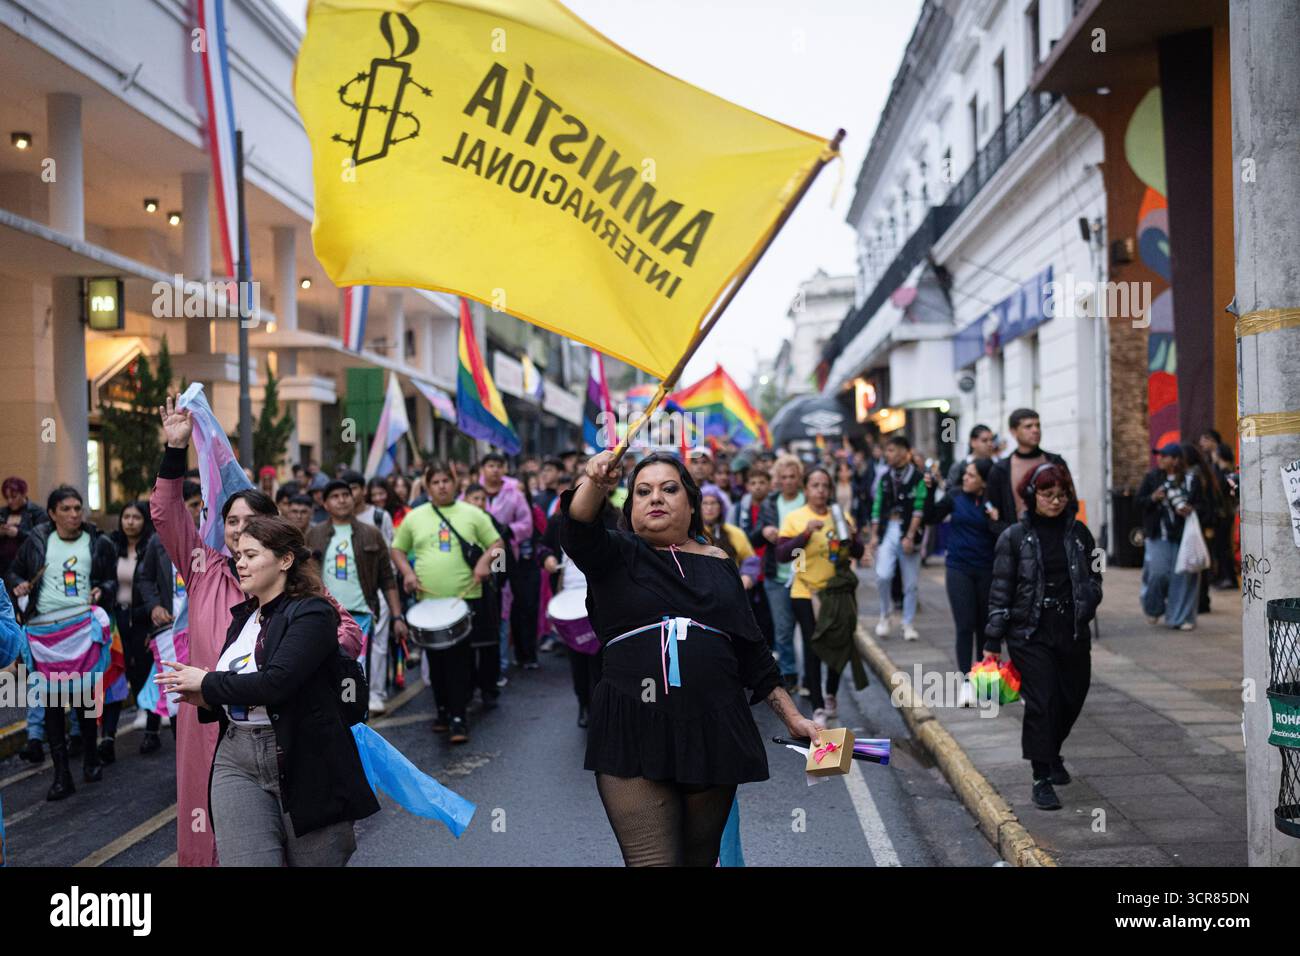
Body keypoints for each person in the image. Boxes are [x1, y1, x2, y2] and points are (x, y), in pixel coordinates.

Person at [562, 450, 822, 866]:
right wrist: (593, 481)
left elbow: (752, 651)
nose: (656, 498)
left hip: (713, 727)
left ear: (691, 502)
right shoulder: (614, 554)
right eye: (643, 491)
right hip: (632, 726)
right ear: (630, 508)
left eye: (669, 488)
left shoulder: (719, 563)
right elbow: (578, 527)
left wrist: (794, 717)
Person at [152, 395, 363, 867]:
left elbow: (347, 633)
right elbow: (166, 515)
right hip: (214, 725)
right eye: (231, 522)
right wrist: (174, 449)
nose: (240, 533)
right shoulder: (203, 568)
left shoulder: (302, 593)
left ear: (275, 536)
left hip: (291, 736)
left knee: (307, 849)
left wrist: (303, 655)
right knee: (219, 841)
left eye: (252, 524)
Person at [156, 516, 380, 866]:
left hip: (305, 758)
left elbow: (278, 682)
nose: (239, 563)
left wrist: (209, 684)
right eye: (238, 555)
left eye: (250, 554)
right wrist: (205, 698)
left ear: (285, 560)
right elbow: (241, 686)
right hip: (237, 759)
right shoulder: (244, 616)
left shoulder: (313, 613)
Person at [983, 463, 1102, 811]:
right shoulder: (1014, 538)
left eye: (1062, 495)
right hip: (1029, 631)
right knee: (1043, 700)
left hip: (1072, 628)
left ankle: (1051, 752)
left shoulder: (1079, 533)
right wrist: (993, 640)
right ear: (1032, 495)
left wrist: (1091, 597)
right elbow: (1001, 589)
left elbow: (1096, 573)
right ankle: (1040, 777)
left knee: (1073, 696)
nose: (1056, 501)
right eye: (1049, 495)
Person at [8, 485, 119, 798]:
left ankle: (91, 758)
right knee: (53, 703)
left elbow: (108, 578)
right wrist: (18, 586)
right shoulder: (37, 541)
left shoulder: (97, 541)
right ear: (52, 513)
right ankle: (61, 775)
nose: (74, 515)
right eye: (67, 509)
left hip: (81, 628)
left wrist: (102, 591)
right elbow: (14, 572)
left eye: (78, 508)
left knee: (83, 700)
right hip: (44, 634)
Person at [391, 462, 504, 744]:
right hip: (427, 604)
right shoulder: (415, 517)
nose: (441, 486)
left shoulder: (472, 513)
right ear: (427, 487)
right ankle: (442, 711)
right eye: (436, 482)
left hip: (464, 602)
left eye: (446, 480)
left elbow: (496, 543)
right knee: (435, 662)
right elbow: (396, 549)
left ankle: (458, 718)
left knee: (459, 662)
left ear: (455, 483)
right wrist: (406, 573)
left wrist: (483, 564)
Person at [306, 480, 407, 715]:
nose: (342, 500)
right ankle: (334, 720)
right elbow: (304, 577)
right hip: (324, 617)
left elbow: (387, 579)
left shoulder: (371, 534)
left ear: (354, 499)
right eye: (335, 496)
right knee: (327, 671)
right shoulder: (314, 534)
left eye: (346, 495)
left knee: (358, 671)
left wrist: (397, 616)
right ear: (326, 504)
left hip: (361, 617)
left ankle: (357, 720)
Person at [777, 468, 863, 722]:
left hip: (836, 593)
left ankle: (830, 693)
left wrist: (852, 534)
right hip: (805, 591)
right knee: (813, 645)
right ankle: (816, 706)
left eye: (825, 486)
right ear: (806, 489)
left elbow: (856, 553)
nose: (820, 491)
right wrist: (805, 534)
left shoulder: (840, 515)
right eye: (815, 485)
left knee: (839, 643)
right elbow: (782, 555)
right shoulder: (795, 518)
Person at [137, 479, 205, 755]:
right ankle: (184, 761)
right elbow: (145, 577)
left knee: (203, 692)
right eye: (192, 506)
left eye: (201, 505)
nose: (198, 511)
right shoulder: (158, 540)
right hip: (169, 630)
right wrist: (154, 605)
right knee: (179, 698)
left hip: (201, 628)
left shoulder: (210, 537)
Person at [925, 458, 998, 706]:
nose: (965, 478)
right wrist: (927, 492)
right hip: (959, 568)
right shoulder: (954, 496)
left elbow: (1004, 532)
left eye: (971, 476)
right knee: (965, 624)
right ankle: (966, 682)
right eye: (965, 474)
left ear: (983, 482)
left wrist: (995, 520)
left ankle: (983, 681)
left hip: (987, 569)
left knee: (984, 626)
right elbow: (931, 517)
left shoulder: (993, 500)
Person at [102, 501, 157, 763]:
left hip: (143, 619)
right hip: (116, 619)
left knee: (144, 673)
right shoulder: (111, 546)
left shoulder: (152, 547)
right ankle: (108, 736)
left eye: (136, 517)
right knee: (113, 674)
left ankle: (151, 729)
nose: (130, 521)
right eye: (126, 516)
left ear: (145, 521)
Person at [1136, 443, 1210, 631]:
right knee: (1158, 573)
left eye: (1164, 456)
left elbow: (1205, 506)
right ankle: (1153, 608)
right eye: (1159, 455)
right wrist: (1153, 498)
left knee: (1184, 576)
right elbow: (1137, 502)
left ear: (1176, 460)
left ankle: (1181, 617)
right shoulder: (1152, 478)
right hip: (1158, 534)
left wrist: (1191, 510)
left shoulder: (1191, 480)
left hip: (1183, 535)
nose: (1160, 459)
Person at [866, 436, 929, 641]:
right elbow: (877, 506)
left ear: (904, 452)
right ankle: (885, 615)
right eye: (887, 450)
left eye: (892, 450)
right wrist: (874, 535)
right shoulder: (885, 477)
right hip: (888, 531)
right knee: (883, 575)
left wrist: (910, 536)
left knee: (910, 583)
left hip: (909, 531)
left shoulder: (918, 477)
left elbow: (919, 508)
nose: (887, 454)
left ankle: (908, 622)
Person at [480, 453, 534, 677]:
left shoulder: (514, 493)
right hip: (477, 557)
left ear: (504, 469)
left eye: (498, 466)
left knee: (503, 603)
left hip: (505, 556)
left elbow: (526, 523)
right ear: (482, 469)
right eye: (490, 465)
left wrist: (509, 531)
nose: (494, 470)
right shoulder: (473, 492)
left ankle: (501, 663)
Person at [759, 454, 805, 690]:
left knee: (809, 629)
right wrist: (765, 530)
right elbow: (755, 533)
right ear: (777, 479)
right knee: (784, 630)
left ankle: (809, 676)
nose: (788, 481)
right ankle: (790, 673)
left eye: (792, 476)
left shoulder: (808, 501)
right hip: (776, 575)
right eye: (783, 477)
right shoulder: (769, 503)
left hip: (806, 575)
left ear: (799, 478)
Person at [985, 409, 1068, 537]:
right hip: (1018, 544)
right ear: (1013, 431)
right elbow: (992, 513)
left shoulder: (1055, 462)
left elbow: (1070, 501)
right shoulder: (1001, 469)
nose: (1035, 430)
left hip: (1055, 539)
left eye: (1038, 425)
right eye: (1028, 426)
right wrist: (1013, 536)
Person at [730, 467, 776, 649]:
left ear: (770, 485)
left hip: (769, 569)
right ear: (747, 486)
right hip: (748, 571)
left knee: (769, 617)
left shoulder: (774, 507)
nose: (758, 487)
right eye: (753, 483)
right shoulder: (740, 509)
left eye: (762, 483)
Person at [0, 476, 49, 581]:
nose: (10, 501)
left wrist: (18, 533)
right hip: (3, 564)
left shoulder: (37, 512)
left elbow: (41, 538)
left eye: (14, 497)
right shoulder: (2, 512)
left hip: (25, 564)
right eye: (7, 497)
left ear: (23, 494)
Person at [946, 424, 995, 489]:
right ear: (973, 442)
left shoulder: (996, 466)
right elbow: (950, 492)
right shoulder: (959, 466)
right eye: (984, 440)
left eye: (991, 440)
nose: (990, 444)